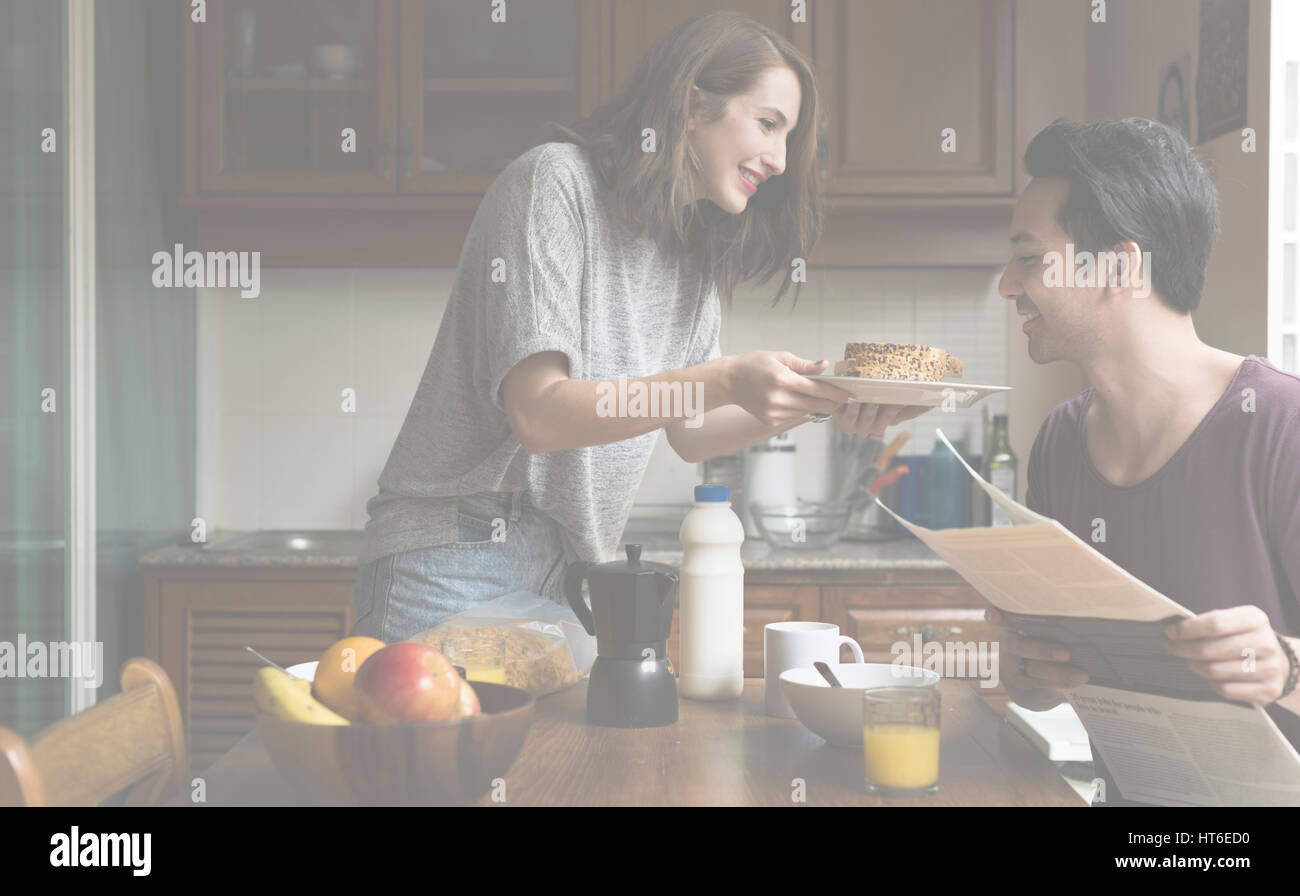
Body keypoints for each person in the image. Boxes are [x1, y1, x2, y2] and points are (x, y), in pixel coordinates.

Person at [352, 11, 925, 642]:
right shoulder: (553, 183)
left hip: (572, 567)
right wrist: (727, 375)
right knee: (442, 745)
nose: (782, 161)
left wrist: (826, 399)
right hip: (455, 552)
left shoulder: (688, 251)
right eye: (768, 124)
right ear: (691, 105)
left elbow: (694, 429)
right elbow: (540, 415)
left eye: (790, 138)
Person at [989, 118, 1300, 805]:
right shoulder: (1059, 445)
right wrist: (1028, 672)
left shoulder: (1282, 427)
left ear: (1122, 267)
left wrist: (1287, 668)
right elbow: (1048, 691)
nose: (1008, 285)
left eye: (1030, 258)